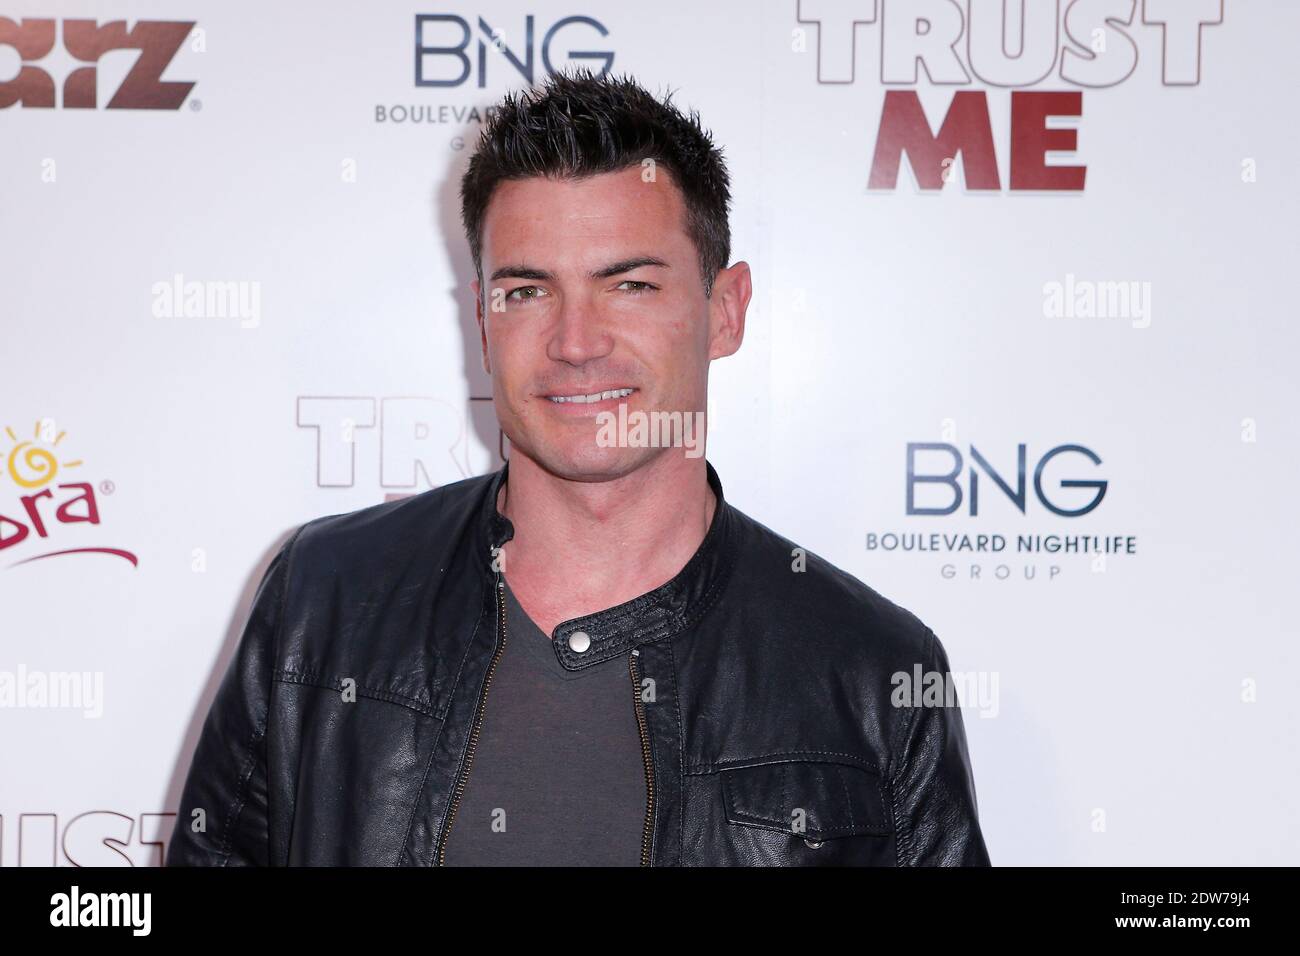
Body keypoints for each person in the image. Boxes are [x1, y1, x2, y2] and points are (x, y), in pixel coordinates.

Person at [167, 67, 990, 867]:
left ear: (725, 310)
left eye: (628, 285)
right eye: (527, 292)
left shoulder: (871, 670)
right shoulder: (326, 595)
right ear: (482, 323)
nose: (575, 342)